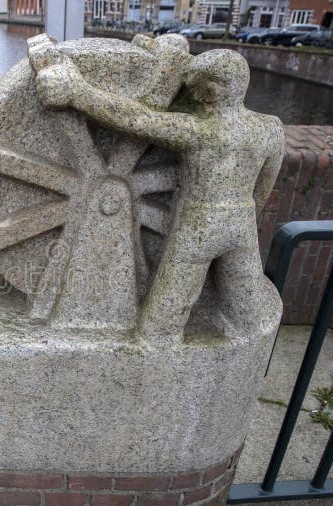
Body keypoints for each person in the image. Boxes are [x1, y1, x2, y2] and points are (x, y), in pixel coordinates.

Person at [35, 49, 285, 340]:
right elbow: (263, 188)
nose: (193, 96)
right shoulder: (271, 129)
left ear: (212, 89)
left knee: (162, 323)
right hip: (241, 226)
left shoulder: (198, 130)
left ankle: (157, 354)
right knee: (247, 316)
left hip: (198, 226)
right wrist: (243, 219)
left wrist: (77, 92)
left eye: (196, 88)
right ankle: (241, 355)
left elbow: (137, 120)